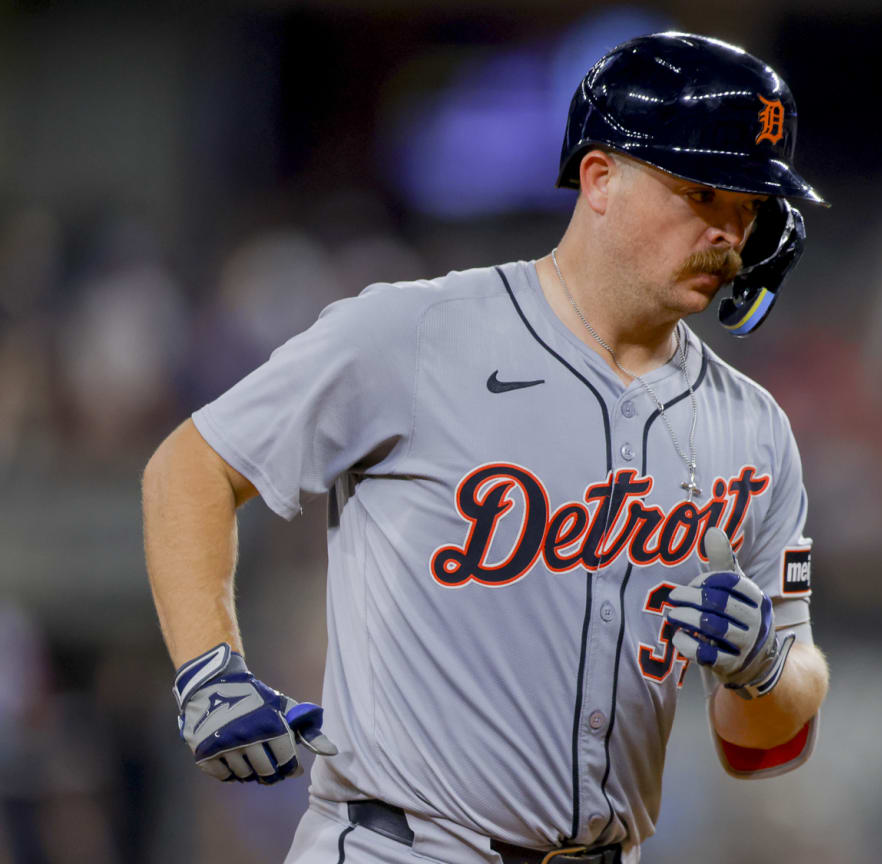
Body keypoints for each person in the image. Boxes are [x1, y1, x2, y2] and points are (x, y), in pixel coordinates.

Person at [141, 31, 830, 864]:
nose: (729, 233)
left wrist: (762, 669)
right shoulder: (418, 332)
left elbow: (765, 741)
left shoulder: (753, 428)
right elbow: (193, 465)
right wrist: (208, 670)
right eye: (702, 194)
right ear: (600, 178)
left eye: (749, 208)